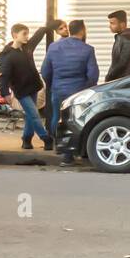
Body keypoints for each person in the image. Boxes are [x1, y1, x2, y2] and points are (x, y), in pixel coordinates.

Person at [40, 19, 99, 162]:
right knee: (73, 120)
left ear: (70, 30)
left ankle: (57, 144)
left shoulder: (53, 47)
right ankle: (68, 153)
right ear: (82, 30)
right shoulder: (87, 49)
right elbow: (93, 75)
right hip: (78, 91)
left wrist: (53, 84)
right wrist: (86, 89)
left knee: (56, 117)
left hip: (58, 89)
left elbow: (45, 71)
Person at [0, 23, 51, 151]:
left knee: (30, 115)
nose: (27, 37)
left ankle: (26, 139)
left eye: (27, 34)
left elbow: (37, 36)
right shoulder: (7, 55)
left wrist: (48, 27)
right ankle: (46, 139)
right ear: (15, 35)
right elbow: (3, 75)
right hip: (21, 91)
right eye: (24, 34)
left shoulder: (27, 48)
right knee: (34, 114)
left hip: (33, 86)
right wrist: (5, 93)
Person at [106, 10, 130, 82]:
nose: (110, 26)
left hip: (125, 82)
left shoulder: (127, 40)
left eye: (112, 23)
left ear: (122, 24)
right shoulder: (120, 38)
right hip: (120, 81)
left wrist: (109, 77)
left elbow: (122, 64)